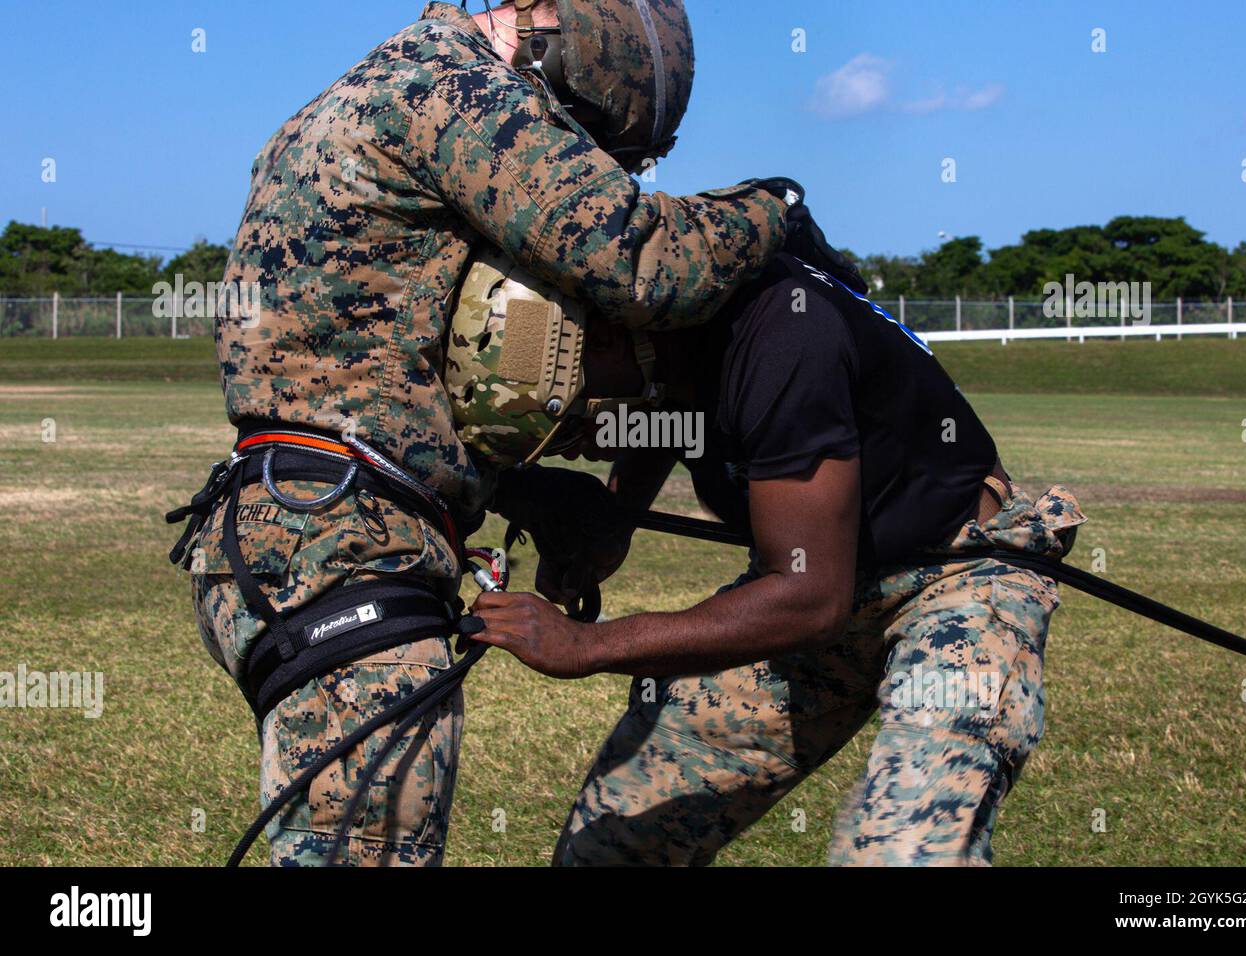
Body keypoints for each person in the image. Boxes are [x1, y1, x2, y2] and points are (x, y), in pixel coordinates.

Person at [170, 0, 798, 867]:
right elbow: (640, 262)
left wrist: (535, 493)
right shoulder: (460, 95)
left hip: (285, 523)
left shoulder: (350, 96)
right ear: (543, 49)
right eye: (588, 143)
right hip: (347, 548)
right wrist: (774, 206)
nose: (590, 164)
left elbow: (346, 375)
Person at [466, 250, 1088, 866]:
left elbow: (808, 600)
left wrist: (585, 645)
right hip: (815, 573)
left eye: (577, 417)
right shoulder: (664, 317)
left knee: (903, 853)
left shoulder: (783, 337)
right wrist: (613, 521)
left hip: (957, 577)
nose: (583, 442)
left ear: (603, 338)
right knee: (613, 844)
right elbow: (677, 415)